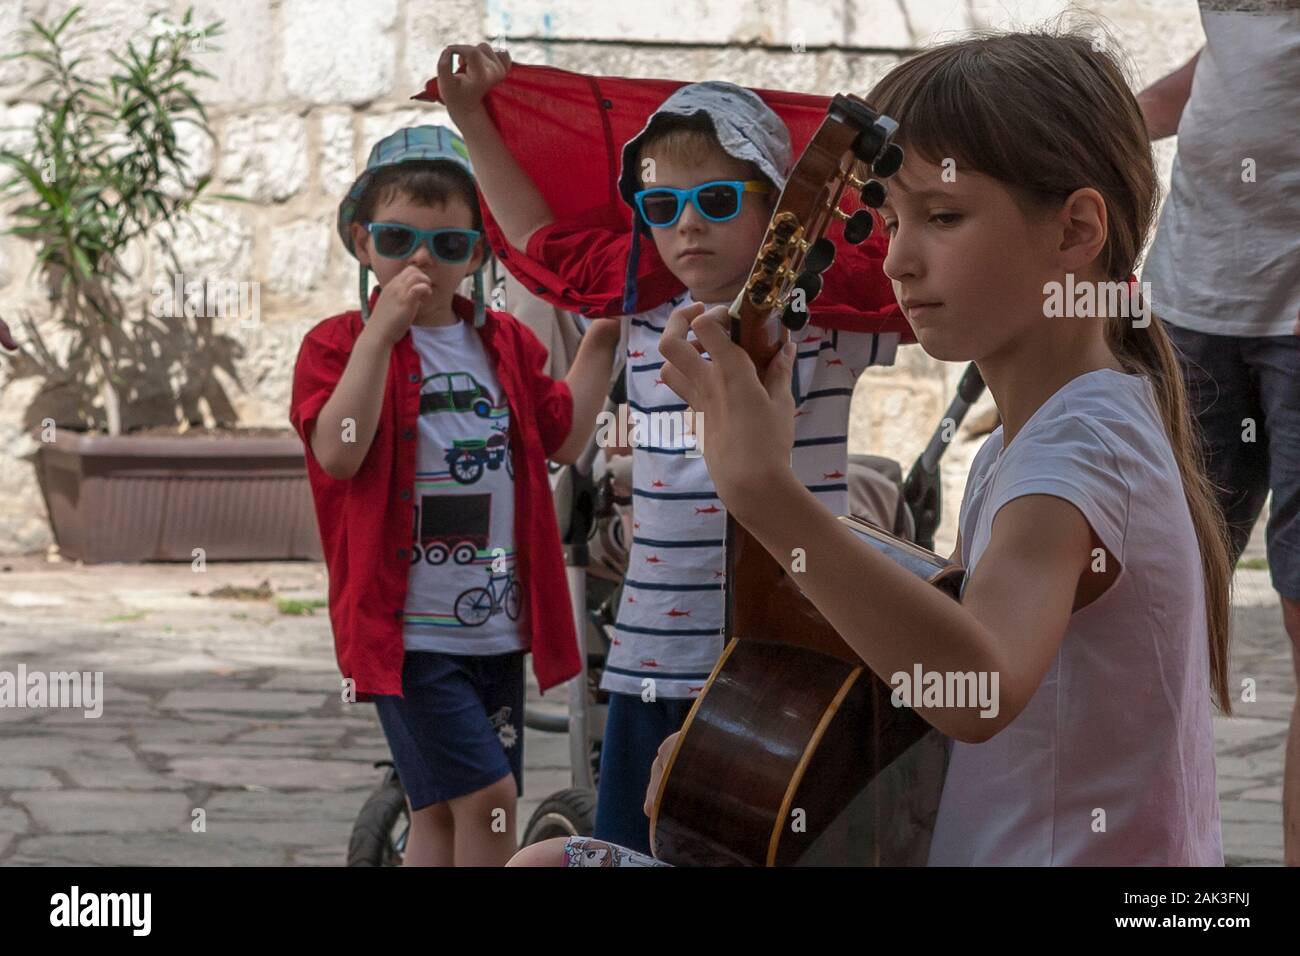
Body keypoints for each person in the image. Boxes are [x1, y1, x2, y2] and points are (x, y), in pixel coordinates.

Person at [514, 28, 1232, 867]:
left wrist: (765, 493)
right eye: (890, 220)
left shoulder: (1076, 455)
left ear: (1075, 231)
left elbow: (979, 688)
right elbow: (928, 668)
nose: (897, 259)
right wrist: (734, 745)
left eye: (943, 217)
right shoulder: (1044, 433)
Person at [440, 43, 902, 855]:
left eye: (718, 200)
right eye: (661, 207)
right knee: (631, 851)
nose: (687, 224)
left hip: (794, 663)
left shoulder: (830, 323)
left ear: (780, 205)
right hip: (648, 655)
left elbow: (923, 269)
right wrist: (471, 117)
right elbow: (539, 241)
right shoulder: (641, 314)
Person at [289, 125, 619, 866]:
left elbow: (564, 437)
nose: (420, 262)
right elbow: (340, 450)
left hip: (492, 630)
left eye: (446, 247)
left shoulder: (503, 342)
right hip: (406, 634)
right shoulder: (336, 345)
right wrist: (381, 335)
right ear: (361, 242)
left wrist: (602, 338)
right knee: (493, 802)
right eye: (399, 238)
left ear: (477, 255)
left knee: (436, 812)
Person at [1137, 0, 1300, 865]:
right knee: (1152, 622)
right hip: (1194, 295)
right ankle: (1168, 883)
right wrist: (1122, 116)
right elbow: (1245, 52)